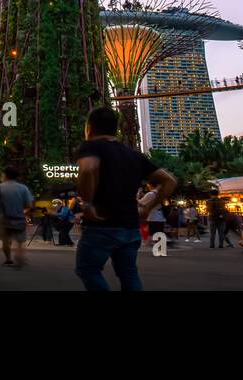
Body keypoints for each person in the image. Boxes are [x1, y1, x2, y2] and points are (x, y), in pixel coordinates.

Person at [74, 106, 177, 292]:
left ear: (89, 127)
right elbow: (169, 181)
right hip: (130, 227)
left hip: (101, 225)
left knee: (88, 269)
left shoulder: (91, 146)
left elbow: (88, 169)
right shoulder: (134, 155)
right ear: (116, 129)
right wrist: (148, 206)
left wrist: (88, 203)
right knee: (128, 273)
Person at [0, 165, 34, 268]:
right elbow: (30, 205)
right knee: (20, 241)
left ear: (4, 175)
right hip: (19, 217)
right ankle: (19, 255)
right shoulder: (23, 188)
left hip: (2, 218)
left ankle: (8, 259)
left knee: (6, 241)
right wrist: (22, 211)